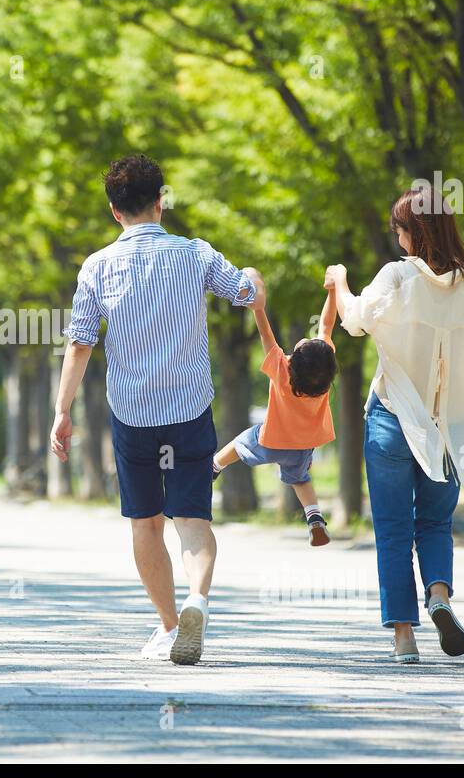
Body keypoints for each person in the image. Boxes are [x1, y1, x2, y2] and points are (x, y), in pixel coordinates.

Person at [50, 154, 257, 665]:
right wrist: (253, 277)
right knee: (191, 518)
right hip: (189, 411)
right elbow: (245, 294)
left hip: (133, 415)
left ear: (114, 212)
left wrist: (63, 410)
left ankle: (169, 627)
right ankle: (197, 602)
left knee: (146, 523)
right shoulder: (196, 254)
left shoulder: (97, 266)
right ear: (161, 201)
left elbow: (80, 345)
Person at [326, 185, 464, 665]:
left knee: (393, 530)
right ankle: (440, 597)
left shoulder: (395, 278)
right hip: (451, 432)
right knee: (434, 522)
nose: (398, 238)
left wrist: (340, 282)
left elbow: (353, 321)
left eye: (400, 229)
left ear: (414, 232)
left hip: (392, 421)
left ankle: (404, 640)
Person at [212, 269, 338, 546]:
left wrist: (258, 308)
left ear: (294, 361)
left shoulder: (282, 369)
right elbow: (327, 325)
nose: (308, 337)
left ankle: (213, 467)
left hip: (272, 439)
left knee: (241, 442)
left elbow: (265, 333)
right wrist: (332, 291)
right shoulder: (324, 377)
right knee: (301, 480)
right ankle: (314, 518)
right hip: (303, 446)